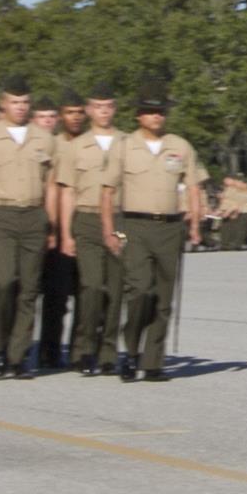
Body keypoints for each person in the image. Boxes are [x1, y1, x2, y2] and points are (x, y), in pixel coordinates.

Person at [100, 103, 203, 380]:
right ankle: (131, 352)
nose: (156, 116)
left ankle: (153, 360)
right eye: (149, 111)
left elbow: (193, 186)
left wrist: (195, 223)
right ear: (138, 115)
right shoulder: (124, 147)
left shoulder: (180, 146)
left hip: (170, 227)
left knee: (164, 297)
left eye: (160, 111)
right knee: (140, 291)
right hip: (136, 226)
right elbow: (108, 191)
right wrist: (109, 230)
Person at [0, 90, 55, 379]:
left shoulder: (44, 139)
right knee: (2, 283)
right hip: (0, 216)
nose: (20, 108)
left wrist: (50, 224)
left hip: (33, 215)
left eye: (25, 103)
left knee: (29, 289)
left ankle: (18, 356)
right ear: (3, 104)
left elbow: (52, 185)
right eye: (14, 102)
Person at [50, 101, 123, 375]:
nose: (103, 111)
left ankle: (108, 352)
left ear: (115, 110)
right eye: (98, 106)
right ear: (89, 111)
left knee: (115, 290)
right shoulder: (75, 147)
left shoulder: (127, 143)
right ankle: (84, 350)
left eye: (109, 106)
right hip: (86, 219)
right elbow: (67, 192)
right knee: (91, 286)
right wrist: (67, 233)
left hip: (120, 221)